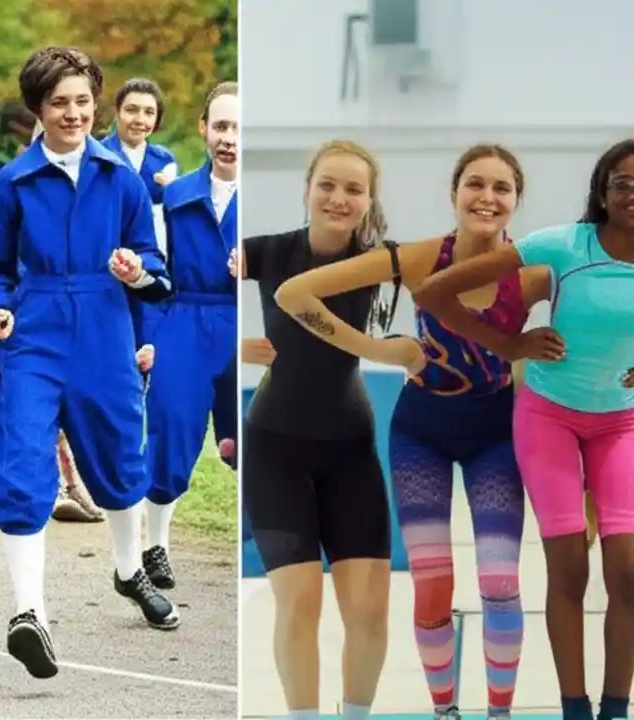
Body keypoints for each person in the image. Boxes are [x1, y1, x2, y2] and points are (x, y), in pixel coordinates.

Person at [275, 144, 551, 719]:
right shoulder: (421, 259)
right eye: (475, 184)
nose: (487, 197)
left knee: (501, 582)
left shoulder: (532, 274)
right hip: (420, 434)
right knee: (431, 585)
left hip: (495, 436)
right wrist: (381, 349)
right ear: (454, 194)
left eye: (502, 189)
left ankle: (499, 712)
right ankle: (444, 712)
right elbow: (294, 294)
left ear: (516, 203)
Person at [0, 46, 178, 681]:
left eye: (84, 101)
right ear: (38, 109)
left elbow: (154, 265)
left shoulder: (124, 180)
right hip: (33, 334)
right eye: (60, 102)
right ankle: (30, 615)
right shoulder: (10, 185)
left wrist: (138, 269)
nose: (74, 113)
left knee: (118, 459)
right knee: (22, 460)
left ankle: (127, 568)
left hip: (105, 330)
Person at [414, 139, 634, 720]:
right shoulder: (564, 245)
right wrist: (509, 344)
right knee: (569, 568)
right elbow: (435, 292)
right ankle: (573, 708)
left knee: (628, 573)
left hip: (622, 423)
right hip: (550, 417)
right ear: (603, 191)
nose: (633, 195)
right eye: (623, 183)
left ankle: (616, 707)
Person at [239, 140, 422, 720]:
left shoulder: (382, 262)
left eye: (353, 189)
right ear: (307, 189)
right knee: (300, 605)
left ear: (369, 201)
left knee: (368, 609)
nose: (339, 198)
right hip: (276, 449)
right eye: (328, 185)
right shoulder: (267, 253)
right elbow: (176, 290)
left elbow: (457, 294)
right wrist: (229, 344)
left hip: (350, 451)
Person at [139, 81, 238, 589]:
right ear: (203, 128)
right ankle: (155, 546)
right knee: (171, 427)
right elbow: (155, 271)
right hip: (185, 317)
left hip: (245, 324)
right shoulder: (174, 196)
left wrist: (259, 266)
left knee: (254, 437)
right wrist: (152, 336)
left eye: (241, 129)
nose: (229, 139)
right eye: (220, 126)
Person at [101, 78, 178, 255]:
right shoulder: (99, 156)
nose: (140, 120)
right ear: (117, 112)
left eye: (149, 112)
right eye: (131, 110)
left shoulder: (163, 160)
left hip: (150, 254)